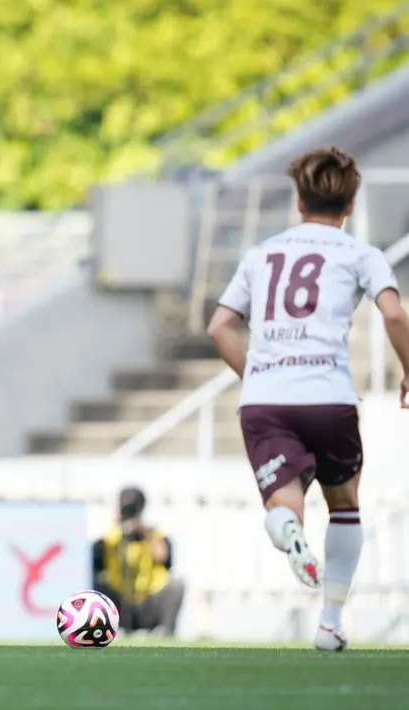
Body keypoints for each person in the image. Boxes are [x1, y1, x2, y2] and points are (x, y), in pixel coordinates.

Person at [207, 146, 409, 652]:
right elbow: (394, 316)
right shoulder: (362, 254)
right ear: (349, 205)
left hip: (266, 398)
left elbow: (220, 326)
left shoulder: (262, 254)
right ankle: (332, 622)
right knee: (343, 505)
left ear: (299, 201)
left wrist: (257, 374)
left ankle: (289, 530)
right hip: (328, 395)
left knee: (285, 500)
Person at [92, 487, 184, 637]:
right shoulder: (111, 535)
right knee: (97, 582)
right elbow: (95, 561)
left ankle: (166, 631)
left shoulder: (152, 534)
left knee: (176, 584)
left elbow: (163, 556)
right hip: (120, 601)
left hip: (148, 602)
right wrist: (117, 527)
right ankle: (104, 629)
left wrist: (143, 532)